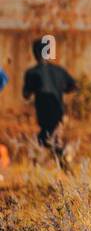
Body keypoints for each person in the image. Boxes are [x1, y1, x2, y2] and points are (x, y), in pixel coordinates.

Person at [22, 37, 75, 167]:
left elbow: (26, 94)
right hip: (59, 111)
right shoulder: (59, 71)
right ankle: (65, 164)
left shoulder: (32, 73)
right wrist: (60, 89)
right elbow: (73, 86)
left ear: (35, 53)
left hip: (44, 112)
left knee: (46, 140)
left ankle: (65, 158)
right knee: (48, 140)